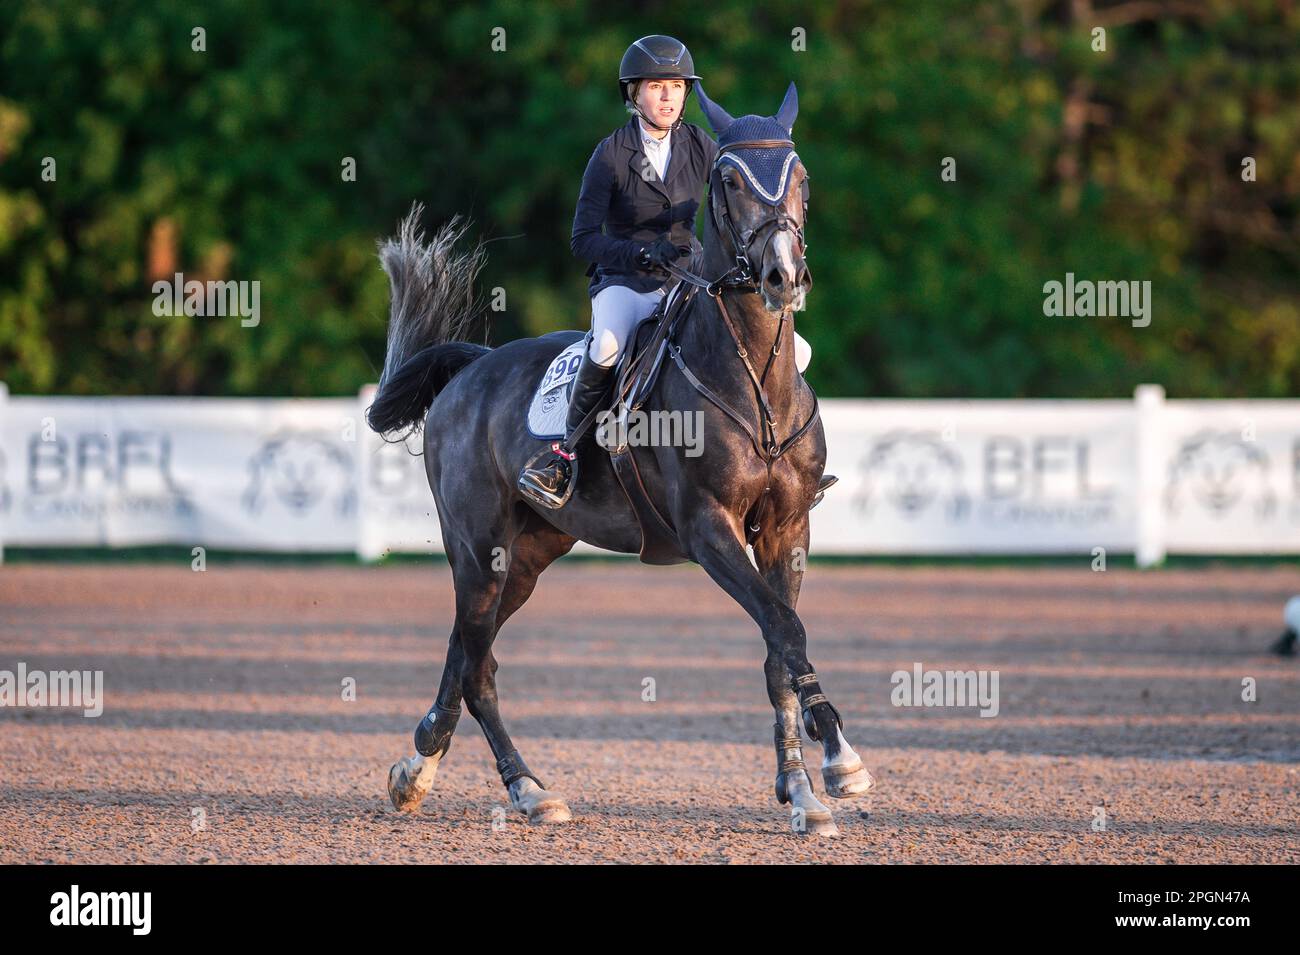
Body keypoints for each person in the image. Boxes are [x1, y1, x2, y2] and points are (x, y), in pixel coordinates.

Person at [518, 35, 817, 509]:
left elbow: (737, 191)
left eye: (676, 87)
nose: (667, 97)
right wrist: (637, 256)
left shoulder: (700, 144)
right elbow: (582, 239)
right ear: (633, 94)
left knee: (795, 349)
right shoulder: (611, 155)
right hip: (626, 282)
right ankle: (563, 458)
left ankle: (785, 459)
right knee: (608, 344)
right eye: (656, 86)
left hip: (689, 279)